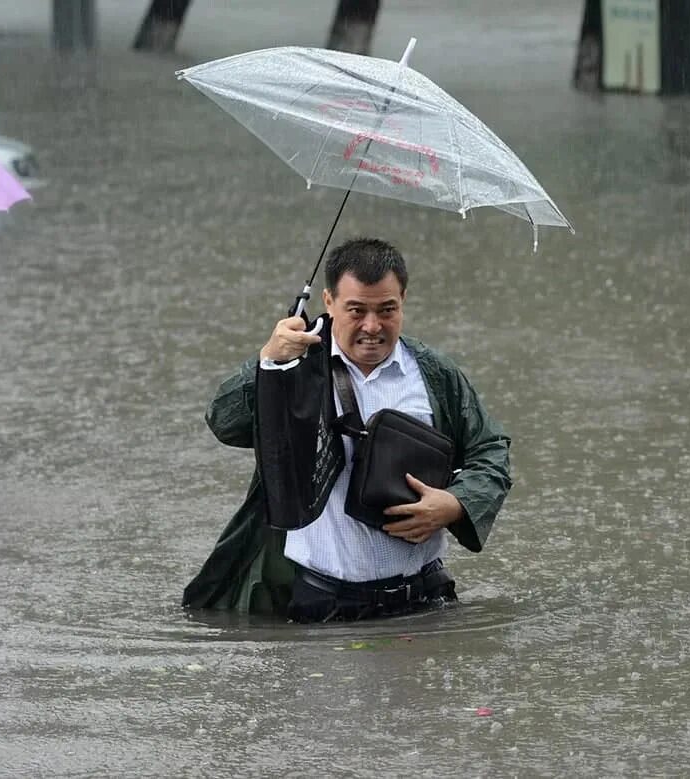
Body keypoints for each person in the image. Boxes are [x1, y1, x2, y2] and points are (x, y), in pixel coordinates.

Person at [183, 237, 513, 622]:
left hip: (426, 602)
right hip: (324, 605)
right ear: (328, 302)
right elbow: (224, 421)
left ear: (403, 299)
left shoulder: (434, 374)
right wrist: (267, 362)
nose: (372, 326)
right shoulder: (294, 371)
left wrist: (455, 505)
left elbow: (491, 450)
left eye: (387, 309)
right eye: (356, 310)